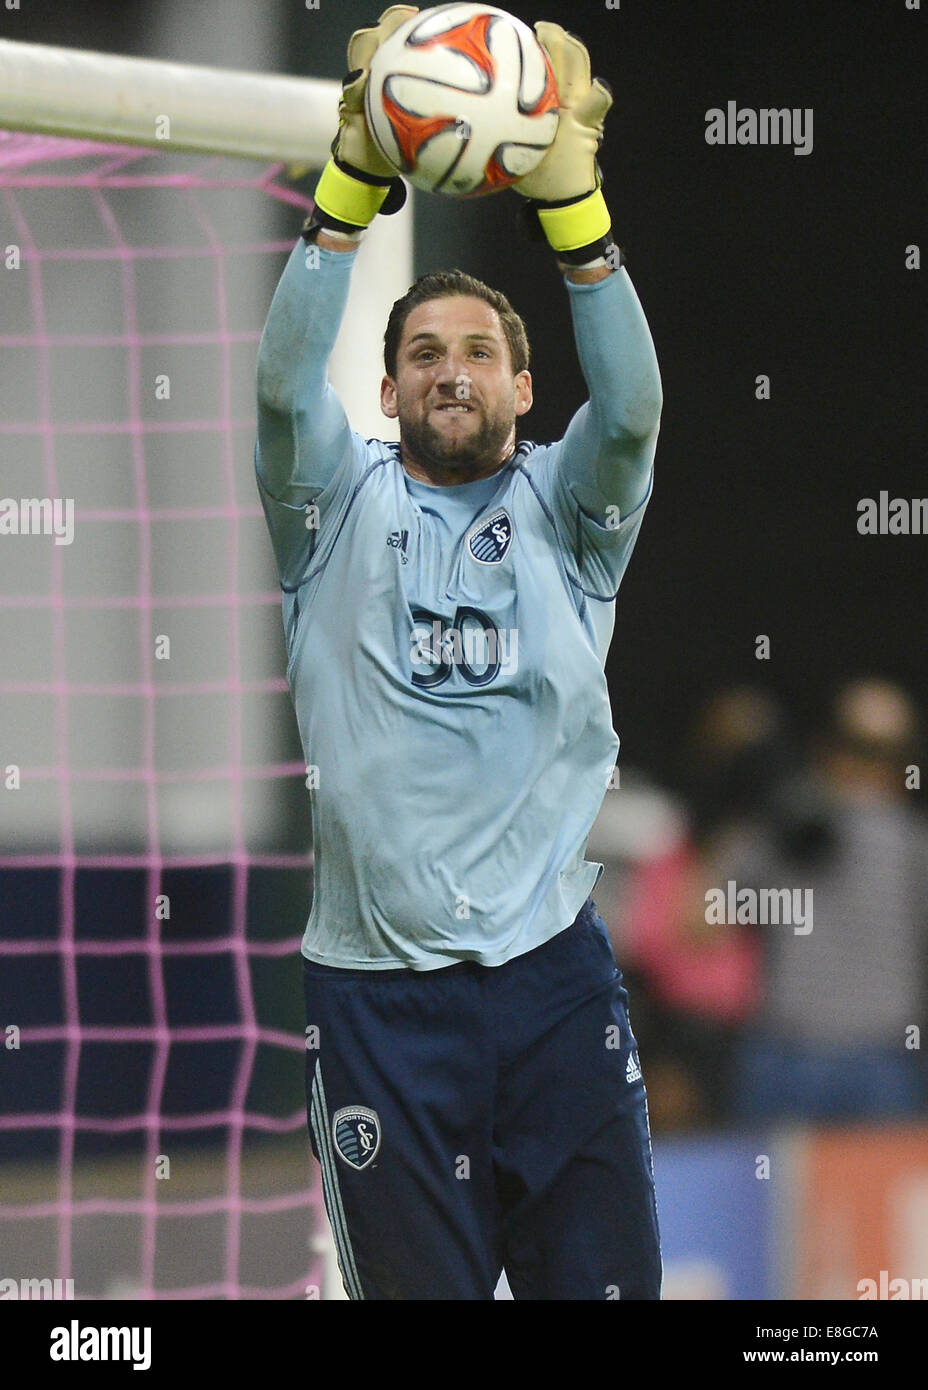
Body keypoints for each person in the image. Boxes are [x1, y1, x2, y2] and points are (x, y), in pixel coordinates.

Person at [255, 6, 663, 1299]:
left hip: (552, 988)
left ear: (522, 388)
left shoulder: (569, 514)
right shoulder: (333, 511)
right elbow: (278, 391)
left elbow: (639, 406)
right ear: (387, 393)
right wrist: (351, 183)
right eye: (422, 353)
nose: (450, 370)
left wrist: (575, 213)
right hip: (380, 1008)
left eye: (479, 352)